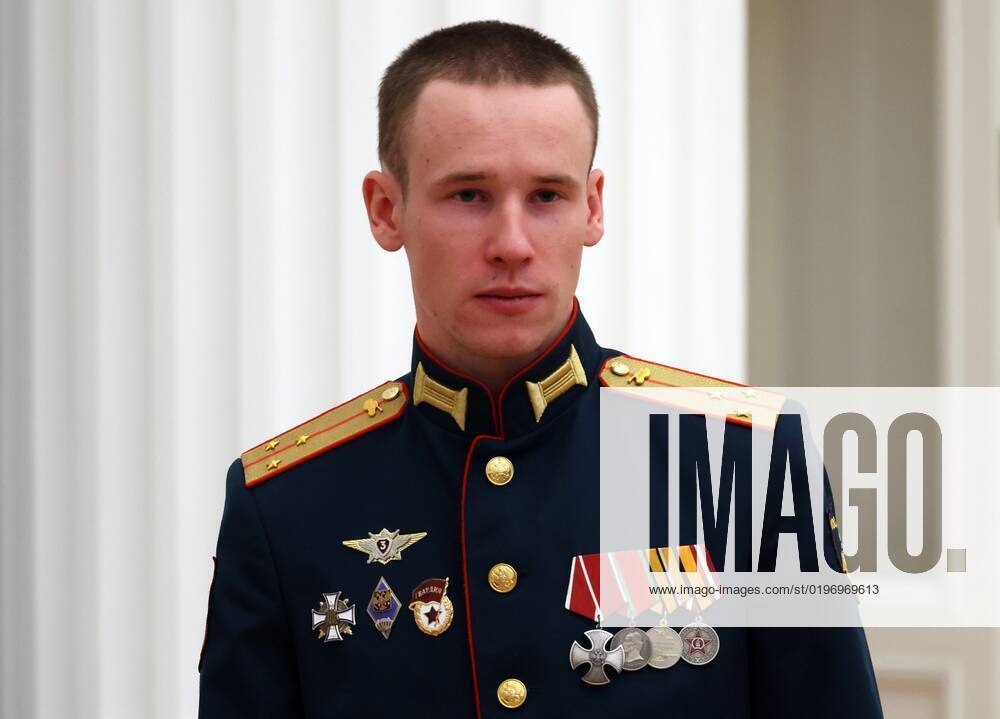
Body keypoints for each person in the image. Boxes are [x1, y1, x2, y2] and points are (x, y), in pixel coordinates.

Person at [198, 20, 883, 717]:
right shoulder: (285, 506)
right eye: (469, 195)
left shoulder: (747, 459)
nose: (512, 243)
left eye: (547, 195)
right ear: (385, 210)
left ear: (593, 207)